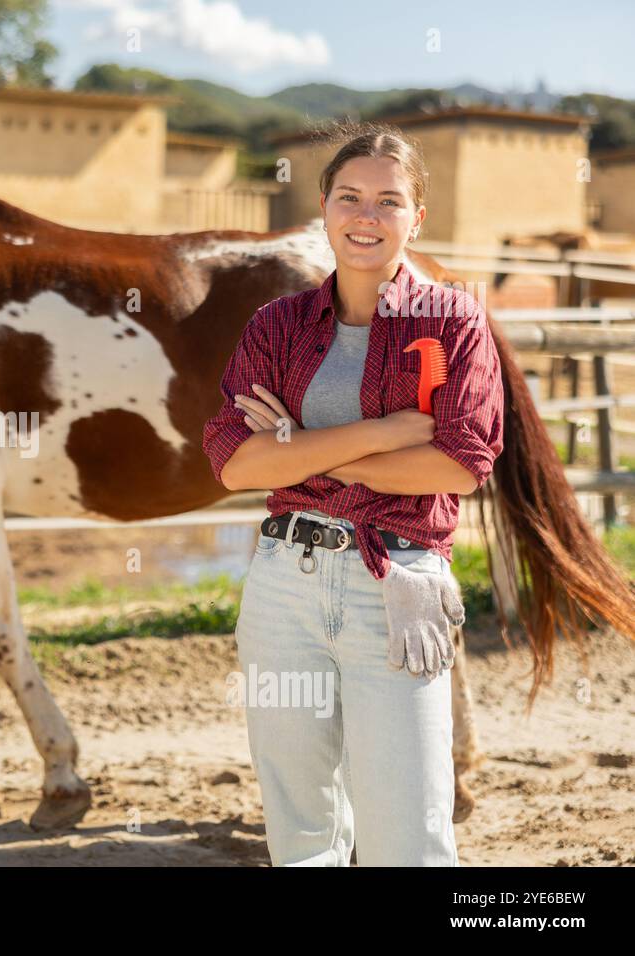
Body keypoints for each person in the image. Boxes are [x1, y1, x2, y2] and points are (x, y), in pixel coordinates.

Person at [201, 122, 504, 866]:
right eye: (350, 197)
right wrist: (392, 430)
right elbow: (234, 464)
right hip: (283, 590)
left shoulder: (451, 321)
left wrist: (301, 452)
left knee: (407, 834)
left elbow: (460, 464)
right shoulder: (277, 324)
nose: (366, 216)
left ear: (416, 217)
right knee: (300, 830)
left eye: (389, 201)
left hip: (397, 587)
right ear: (326, 208)